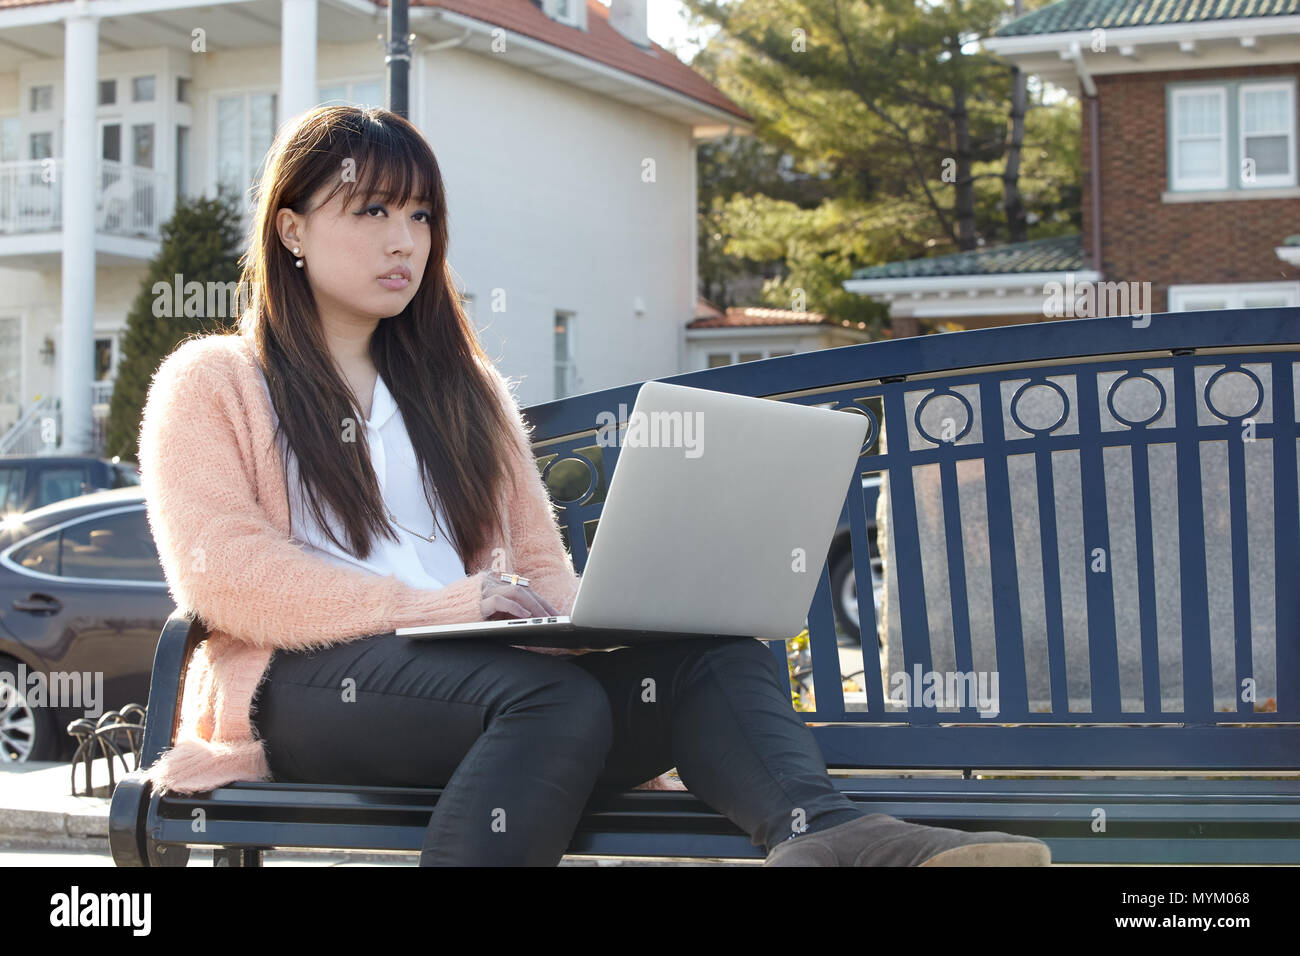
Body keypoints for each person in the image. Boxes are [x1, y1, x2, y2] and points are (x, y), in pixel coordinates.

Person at [139, 105, 1051, 867]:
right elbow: (225, 573)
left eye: (421, 217)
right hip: (303, 689)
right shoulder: (215, 380)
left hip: (486, 686)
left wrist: (607, 632)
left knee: (713, 656)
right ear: (291, 227)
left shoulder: (468, 393)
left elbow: (540, 564)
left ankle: (829, 836)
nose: (403, 241)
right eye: (372, 211)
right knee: (546, 699)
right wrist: (435, 607)